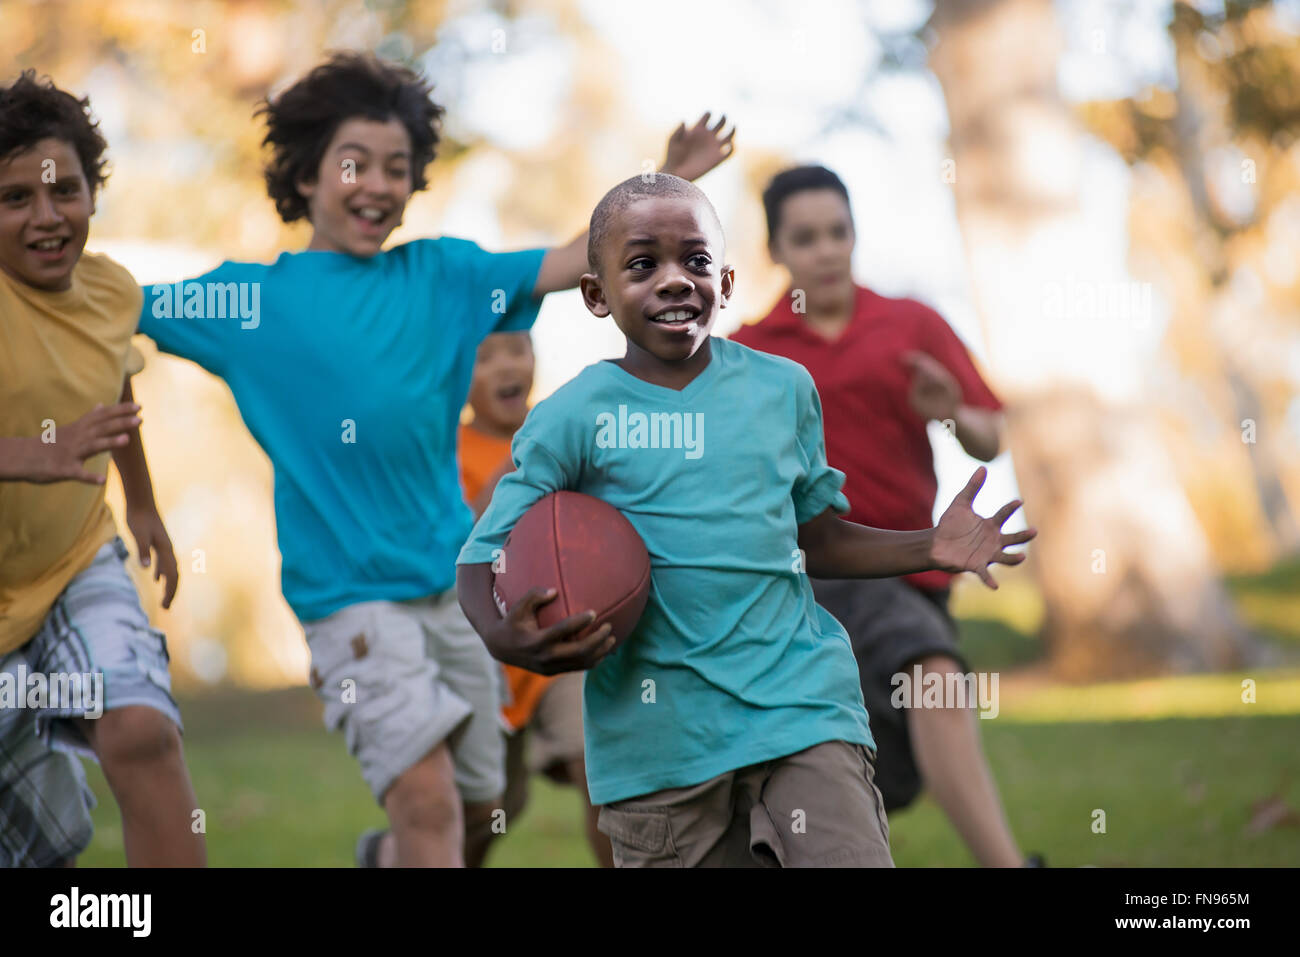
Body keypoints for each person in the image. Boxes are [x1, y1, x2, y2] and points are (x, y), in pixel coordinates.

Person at [135, 52, 735, 867]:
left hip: (458, 587)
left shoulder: (446, 277)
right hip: (350, 602)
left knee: (482, 802)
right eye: (355, 163)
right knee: (428, 804)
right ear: (307, 173)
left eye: (397, 167)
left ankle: (387, 858)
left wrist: (666, 179)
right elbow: (110, 308)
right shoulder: (249, 300)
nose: (377, 184)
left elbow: (571, 260)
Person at [456, 173, 1035, 867]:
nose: (674, 280)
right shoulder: (574, 416)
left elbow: (816, 538)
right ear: (595, 293)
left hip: (799, 707)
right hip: (660, 744)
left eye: (695, 261)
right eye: (643, 264)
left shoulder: (782, 388)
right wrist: (503, 635)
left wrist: (928, 545)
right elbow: (480, 554)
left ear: (725, 283)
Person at [732, 164, 1034, 867]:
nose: (827, 250)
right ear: (776, 250)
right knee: (926, 672)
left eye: (839, 232)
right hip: (804, 576)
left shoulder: (911, 322)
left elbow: (990, 433)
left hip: (909, 564)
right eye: (805, 238)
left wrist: (950, 411)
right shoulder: (749, 351)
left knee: (904, 719)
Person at [0, 70, 203, 867]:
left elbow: (113, 384)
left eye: (66, 190)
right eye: (14, 198)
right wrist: (30, 454)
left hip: (73, 559)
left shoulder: (111, 290)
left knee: (140, 726)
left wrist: (144, 503)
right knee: (37, 851)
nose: (48, 217)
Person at [456, 331, 613, 868]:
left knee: (596, 766)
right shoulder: (451, 450)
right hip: (486, 650)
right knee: (496, 805)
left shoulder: (562, 433)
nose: (506, 366)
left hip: (561, 630)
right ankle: (401, 855)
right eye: (485, 356)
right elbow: (463, 535)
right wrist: (523, 458)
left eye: (517, 349)